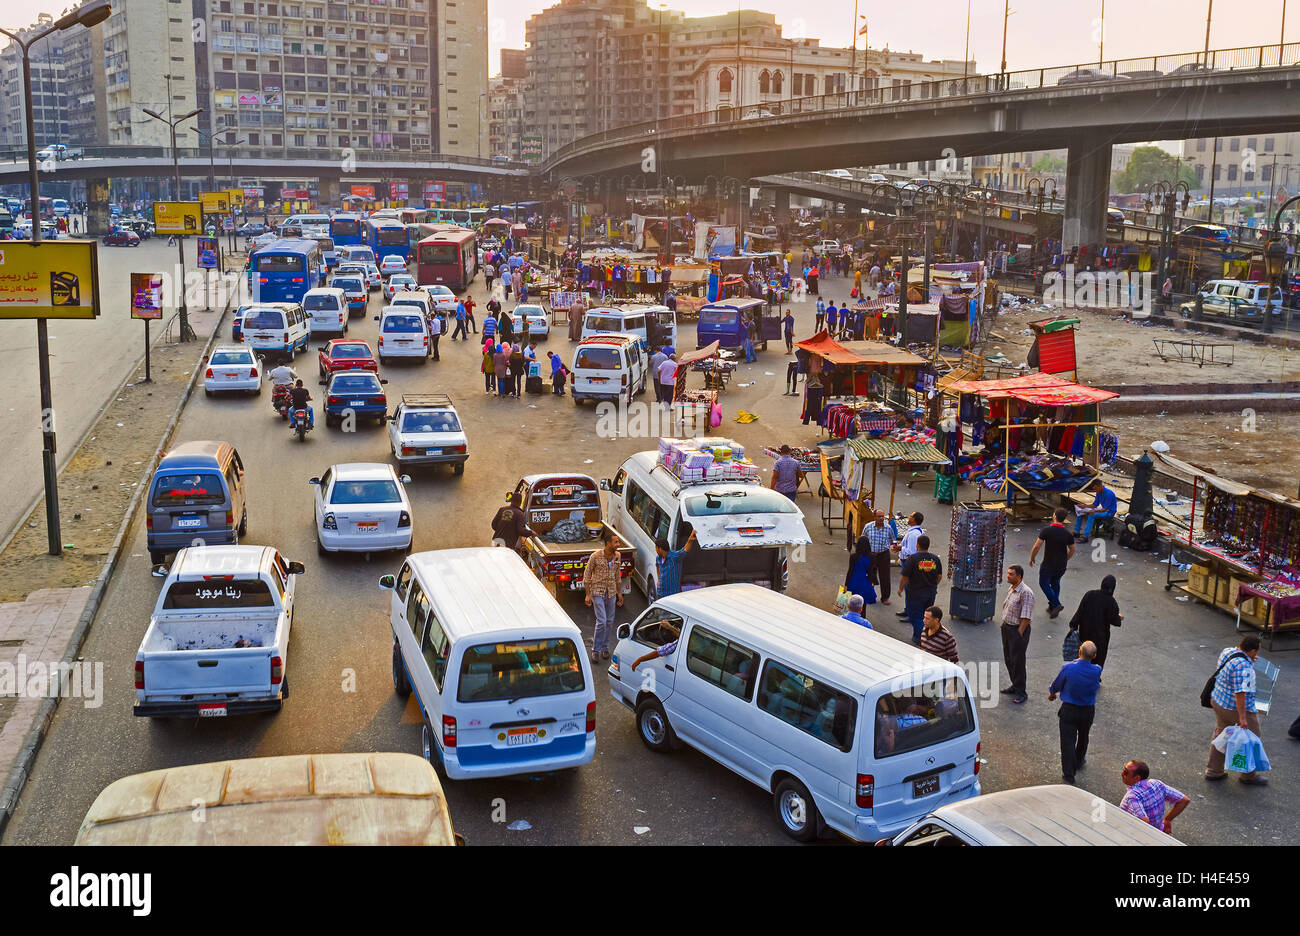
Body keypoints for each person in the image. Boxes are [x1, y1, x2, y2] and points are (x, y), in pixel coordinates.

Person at [1206, 634, 1267, 785]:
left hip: (1218, 701)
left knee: (1222, 735)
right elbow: (1240, 694)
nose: (1257, 655)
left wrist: (1249, 660)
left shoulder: (1228, 651)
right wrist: (1243, 718)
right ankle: (1248, 776)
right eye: (1256, 652)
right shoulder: (1244, 667)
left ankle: (1214, 771)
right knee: (1251, 739)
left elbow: (1232, 671)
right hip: (1235, 707)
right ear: (1252, 650)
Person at [1048, 640, 1102, 783]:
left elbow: (1057, 684)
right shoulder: (1097, 670)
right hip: (1088, 710)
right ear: (1094, 656)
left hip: (1069, 710)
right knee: (1083, 736)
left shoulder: (1068, 668)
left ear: (1079, 652)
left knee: (1067, 741)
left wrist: (1052, 693)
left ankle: (1069, 774)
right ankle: (1079, 760)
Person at [584, 531, 625, 662]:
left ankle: (605, 648)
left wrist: (620, 594)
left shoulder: (618, 556)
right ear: (608, 544)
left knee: (610, 621)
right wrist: (587, 594)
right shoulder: (595, 556)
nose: (618, 544)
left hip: (611, 592)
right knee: (601, 621)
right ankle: (595, 650)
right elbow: (586, 576)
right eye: (616, 542)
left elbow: (617, 576)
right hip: (597, 592)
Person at [1030, 506, 1076, 619]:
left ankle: (1056, 604)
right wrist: (1066, 558)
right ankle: (1052, 607)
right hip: (1061, 565)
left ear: (1054, 516)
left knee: (1043, 583)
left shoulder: (1047, 530)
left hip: (1048, 564)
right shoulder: (1067, 533)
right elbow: (1073, 549)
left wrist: (1032, 558)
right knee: (1055, 583)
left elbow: (1037, 546)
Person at [1120, 761, 1190, 834]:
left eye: (1125, 772)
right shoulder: (1156, 784)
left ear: (1137, 778)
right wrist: (1167, 820)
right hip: (1158, 832)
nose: (1122, 773)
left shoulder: (1132, 797)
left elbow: (1144, 821)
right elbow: (1184, 800)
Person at [1068, 575, 1122, 669]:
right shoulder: (1111, 602)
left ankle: (1081, 672)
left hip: (1085, 633)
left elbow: (1080, 611)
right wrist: (1119, 617)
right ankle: (1095, 676)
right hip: (1101, 638)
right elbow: (1115, 621)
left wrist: (1074, 624)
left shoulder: (1090, 594)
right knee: (1098, 658)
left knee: (1084, 655)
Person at [898, 535, 943, 645]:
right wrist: (932, 585)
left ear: (917, 545)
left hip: (915, 594)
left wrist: (900, 589)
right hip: (930, 593)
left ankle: (921, 639)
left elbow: (905, 577)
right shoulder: (935, 559)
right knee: (926, 616)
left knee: (916, 617)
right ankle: (921, 635)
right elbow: (939, 576)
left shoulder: (912, 559)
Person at [1000, 564, 1035, 704]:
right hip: (1007, 628)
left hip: (1017, 630)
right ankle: (1014, 685)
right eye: (1008, 573)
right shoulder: (1012, 588)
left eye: (1011, 574)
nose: (1008, 576)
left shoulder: (1026, 593)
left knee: (1018, 661)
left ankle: (1021, 692)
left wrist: (1019, 633)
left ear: (1019, 577)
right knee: (1009, 658)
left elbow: (1026, 617)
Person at [855, 509, 896, 606]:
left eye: (882, 516)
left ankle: (885, 597)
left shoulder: (888, 528)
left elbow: (892, 539)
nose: (881, 518)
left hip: (884, 554)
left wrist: (893, 546)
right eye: (879, 516)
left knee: (885, 577)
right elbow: (863, 539)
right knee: (870, 576)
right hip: (871, 555)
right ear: (874, 517)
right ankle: (870, 596)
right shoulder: (868, 527)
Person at [654, 529, 697, 598]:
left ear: (660, 549)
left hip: (672, 595)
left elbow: (685, 549)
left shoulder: (675, 557)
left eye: (656, 548)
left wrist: (690, 540)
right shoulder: (658, 558)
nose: (655, 550)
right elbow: (657, 567)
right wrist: (659, 579)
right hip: (660, 592)